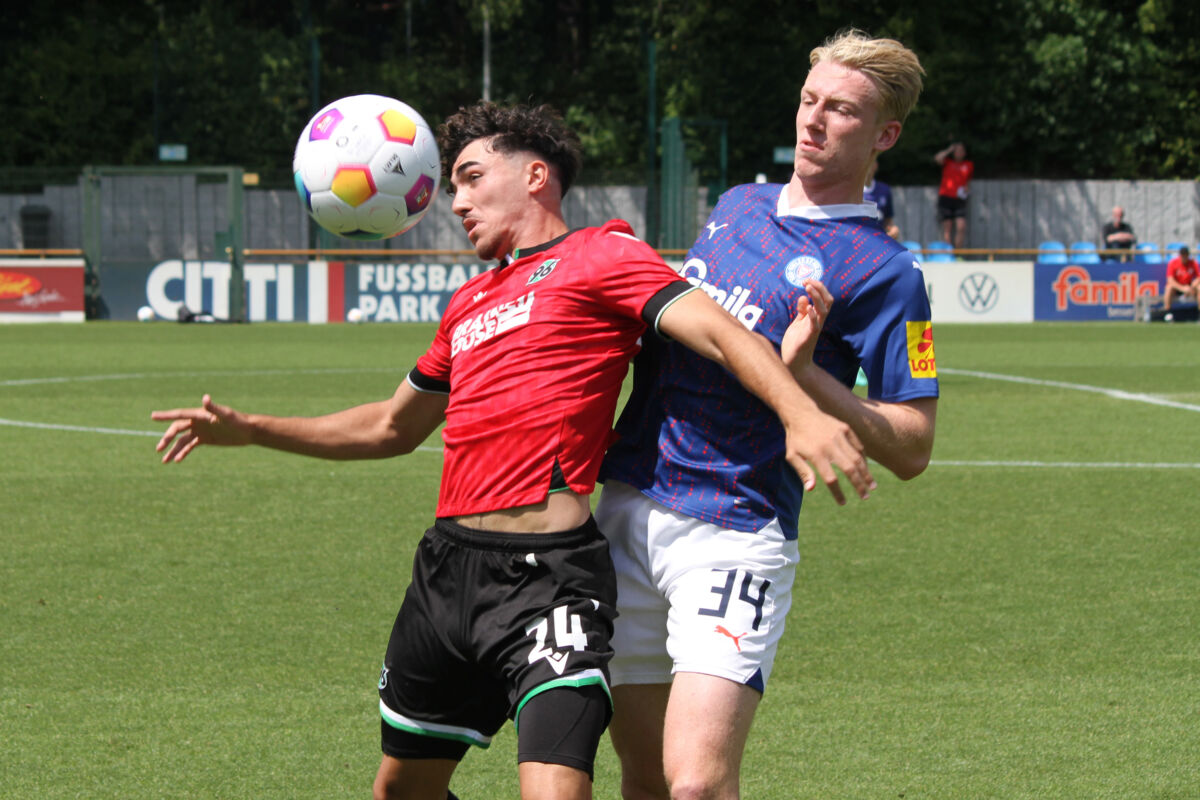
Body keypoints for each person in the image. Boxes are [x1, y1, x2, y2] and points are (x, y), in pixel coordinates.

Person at [151, 101, 874, 800]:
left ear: (535, 176)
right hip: (446, 574)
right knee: (400, 790)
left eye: (471, 177)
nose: (456, 201)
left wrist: (798, 413)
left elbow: (720, 332)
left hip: (551, 581)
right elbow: (392, 427)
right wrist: (254, 429)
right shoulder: (468, 303)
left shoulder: (604, 254)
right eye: (453, 186)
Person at [595, 30, 939, 800]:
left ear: (884, 135)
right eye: (810, 100)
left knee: (697, 784)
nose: (814, 120)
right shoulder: (736, 205)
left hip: (734, 530)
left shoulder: (888, 274)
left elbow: (914, 445)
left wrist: (808, 376)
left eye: (841, 110)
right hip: (627, 505)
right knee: (644, 779)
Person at [934, 140, 972, 250]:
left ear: (964, 152)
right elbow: (937, 158)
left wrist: (967, 190)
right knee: (947, 228)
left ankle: (958, 254)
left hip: (959, 199)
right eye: (957, 150)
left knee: (961, 226)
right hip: (946, 197)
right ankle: (949, 254)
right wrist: (949, 149)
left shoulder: (968, 165)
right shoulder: (947, 162)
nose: (959, 152)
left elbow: (968, 182)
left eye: (961, 150)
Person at [862, 159, 895, 235]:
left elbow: (888, 219)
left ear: (875, 165)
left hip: (879, 238)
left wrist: (892, 230)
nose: (867, 165)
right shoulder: (852, 191)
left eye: (870, 161)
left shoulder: (884, 190)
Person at [1163, 245, 1199, 313]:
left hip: (1189, 287)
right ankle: (1167, 312)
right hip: (1177, 287)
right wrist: (1182, 288)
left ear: (1188, 255)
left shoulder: (1193, 263)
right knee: (1168, 288)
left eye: (1186, 255)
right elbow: (1170, 280)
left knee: (1199, 287)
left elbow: (1198, 277)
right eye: (1183, 255)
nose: (1184, 257)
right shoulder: (1173, 263)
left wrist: (1193, 286)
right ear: (1180, 255)